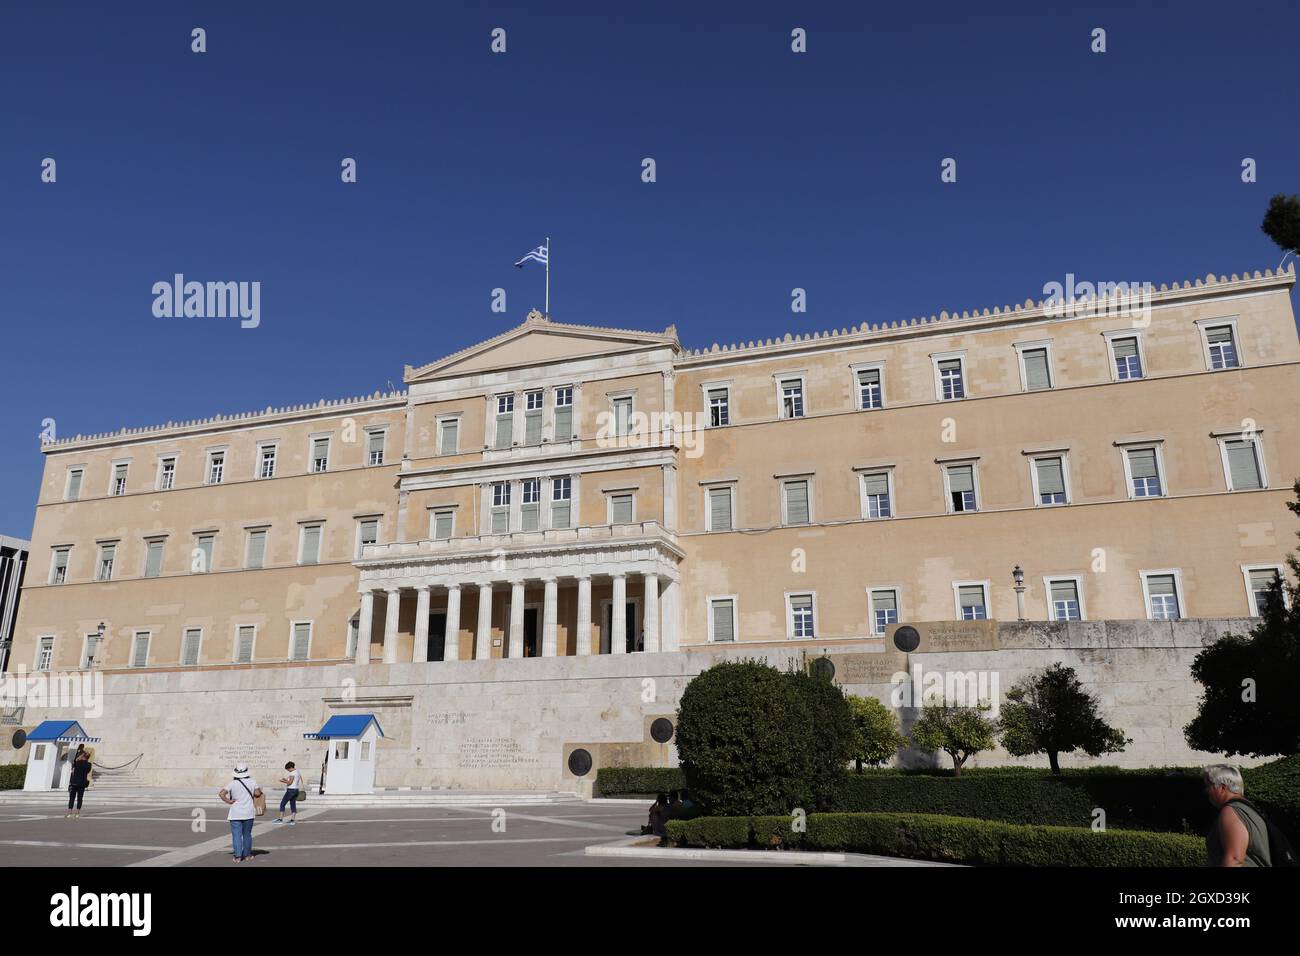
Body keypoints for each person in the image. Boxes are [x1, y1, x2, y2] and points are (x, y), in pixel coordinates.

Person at [1204, 764, 1270, 867]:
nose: (1206, 790)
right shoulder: (1249, 809)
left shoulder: (1231, 811)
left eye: (1209, 785)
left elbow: (1234, 860)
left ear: (1222, 788)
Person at [218, 763, 263, 863]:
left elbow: (221, 793)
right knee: (247, 834)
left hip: (235, 813)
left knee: (236, 835)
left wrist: (228, 801)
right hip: (248, 812)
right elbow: (257, 793)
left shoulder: (232, 783)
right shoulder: (252, 781)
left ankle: (238, 857)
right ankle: (247, 855)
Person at [65, 751, 93, 819]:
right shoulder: (89, 764)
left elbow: (76, 761)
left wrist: (80, 756)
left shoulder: (77, 763)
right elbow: (88, 771)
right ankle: (77, 813)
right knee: (80, 798)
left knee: (72, 798)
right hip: (82, 783)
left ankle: (69, 813)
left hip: (74, 782)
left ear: (83, 756)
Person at [275, 761, 302, 825]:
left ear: (290, 768)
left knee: (282, 804)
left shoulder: (292, 773)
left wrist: (282, 781)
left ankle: (280, 819)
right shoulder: (297, 772)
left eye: (288, 769)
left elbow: (290, 783)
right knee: (293, 804)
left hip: (291, 790)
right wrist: (286, 780)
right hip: (296, 790)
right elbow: (293, 782)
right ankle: (292, 820)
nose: (288, 771)